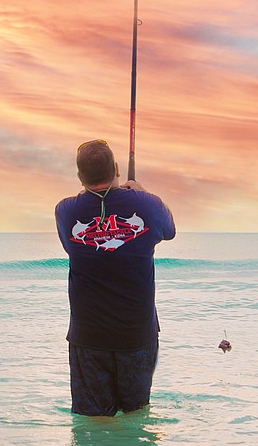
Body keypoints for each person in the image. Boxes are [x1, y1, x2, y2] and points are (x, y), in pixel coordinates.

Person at [55, 139, 176, 417]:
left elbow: (72, 234)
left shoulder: (66, 211)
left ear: (79, 177)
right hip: (136, 335)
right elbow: (169, 230)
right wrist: (141, 193)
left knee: (93, 420)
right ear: (118, 169)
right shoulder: (148, 205)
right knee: (136, 415)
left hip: (88, 337)